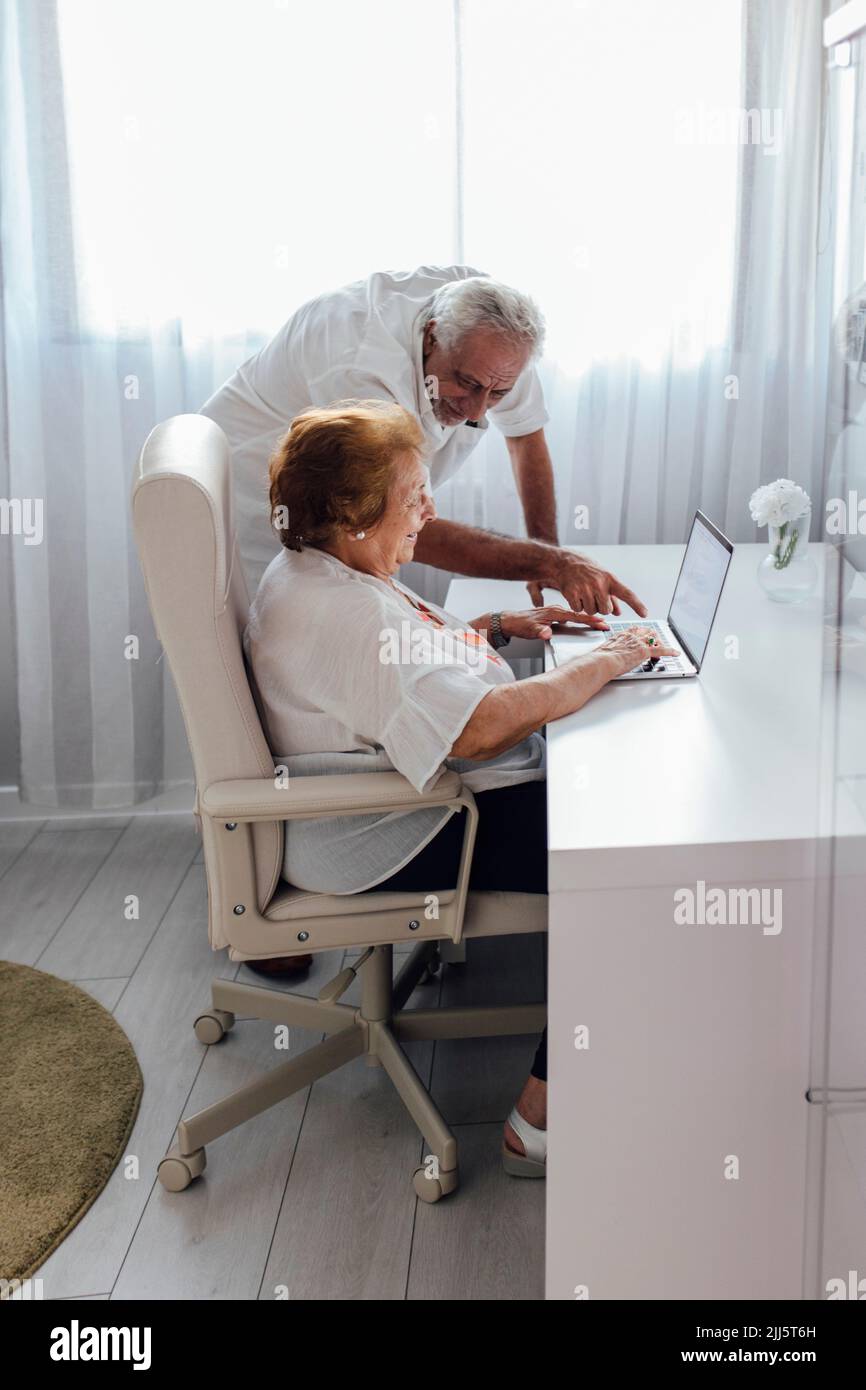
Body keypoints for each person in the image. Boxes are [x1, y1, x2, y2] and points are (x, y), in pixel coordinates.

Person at [243, 400, 677, 1177]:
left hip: (397, 805)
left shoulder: (311, 569)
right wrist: (607, 662)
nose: (429, 512)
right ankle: (537, 1125)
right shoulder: (344, 611)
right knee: (630, 869)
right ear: (350, 512)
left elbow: (393, 677)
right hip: (403, 828)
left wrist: (490, 628)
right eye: (414, 497)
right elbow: (478, 729)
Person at [201, 265, 647, 617]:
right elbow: (397, 522)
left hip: (346, 523)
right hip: (247, 510)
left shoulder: (497, 343)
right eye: (466, 384)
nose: (476, 412)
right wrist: (551, 563)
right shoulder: (362, 370)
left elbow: (525, 436)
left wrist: (548, 556)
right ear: (432, 335)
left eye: (497, 394)